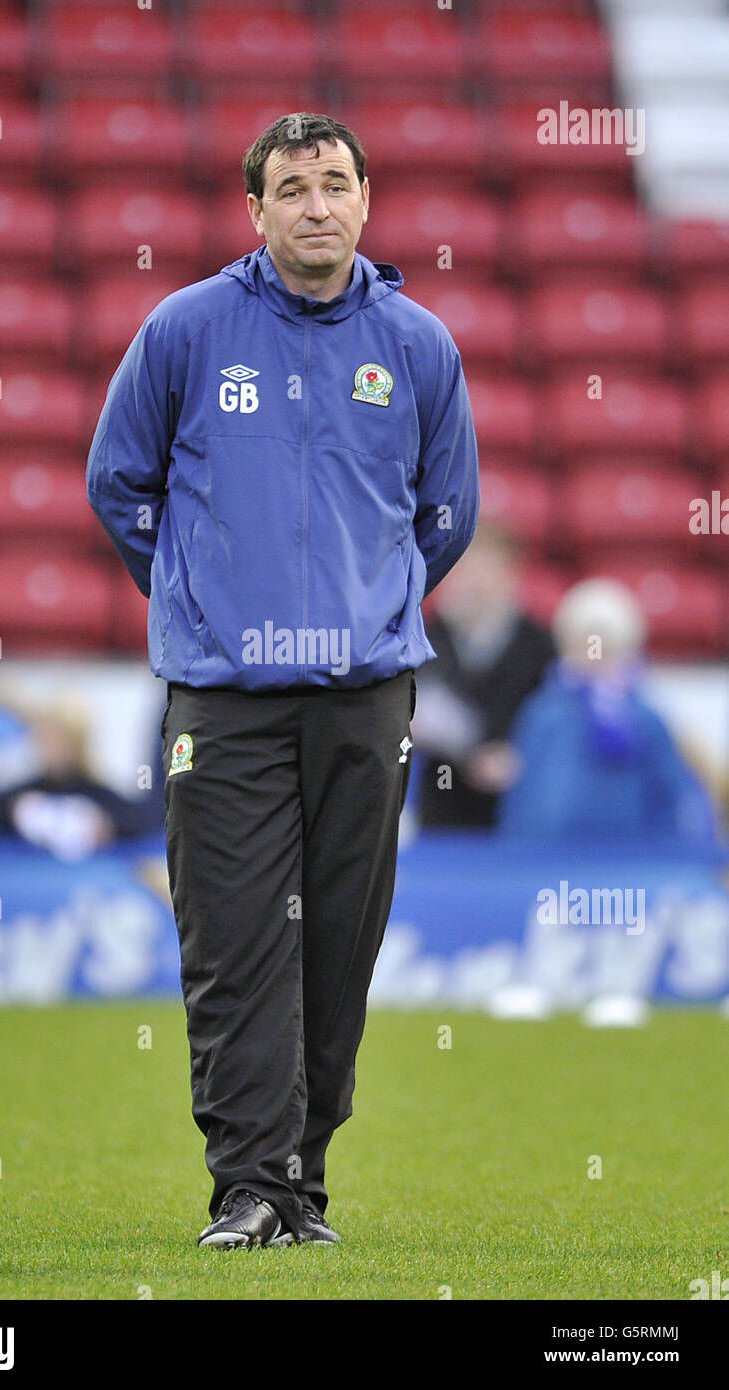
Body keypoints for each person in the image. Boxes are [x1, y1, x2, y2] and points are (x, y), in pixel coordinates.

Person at [86, 113, 479, 1248]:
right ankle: (246, 1186)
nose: (316, 204)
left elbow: (442, 518)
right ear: (252, 212)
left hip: (365, 697)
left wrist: (369, 604)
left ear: (367, 197)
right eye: (291, 188)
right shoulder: (186, 329)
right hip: (224, 701)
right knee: (236, 945)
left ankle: (299, 1183)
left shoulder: (418, 348)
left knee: (336, 949)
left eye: (334, 183)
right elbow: (121, 485)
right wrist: (199, 599)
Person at [497, 578, 721, 845]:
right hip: (551, 862)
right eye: (585, 643)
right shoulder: (545, 712)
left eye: (607, 644)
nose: (595, 655)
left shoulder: (644, 717)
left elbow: (673, 794)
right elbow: (524, 792)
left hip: (629, 864)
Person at [413, 522, 555, 828]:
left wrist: (521, 756)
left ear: (508, 574)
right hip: (443, 805)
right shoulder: (425, 638)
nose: (472, 582)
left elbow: (557, 720)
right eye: (463, 570)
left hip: (518, 809)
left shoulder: (539, 645)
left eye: (485, 568)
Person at [0, 701, 155, 860]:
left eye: (56, 739)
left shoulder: (101, 797)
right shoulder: (17, 796)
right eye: (43, 738)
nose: (46, 747)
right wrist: (14, 813)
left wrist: (108, 827)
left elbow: (141, 825)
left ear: (75, 743)